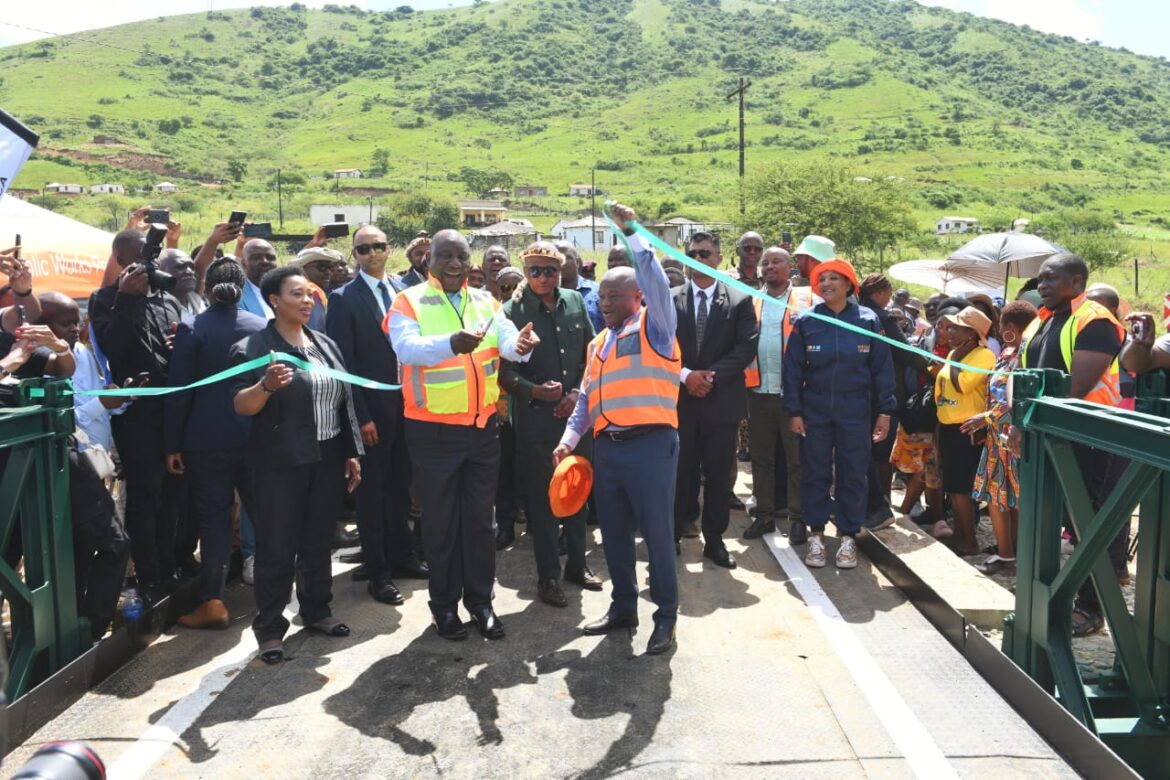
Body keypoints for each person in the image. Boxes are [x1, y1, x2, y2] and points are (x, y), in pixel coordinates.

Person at [387, 229, 539, 641]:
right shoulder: (408, 301)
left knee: (479, 525)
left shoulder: (486, 301)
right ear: (428, 260)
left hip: (482, 431)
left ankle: (481, 603)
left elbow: (507, 343)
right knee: (440, 525)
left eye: (461, 256)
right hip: (433, 433)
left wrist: (523, 345)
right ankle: (444, 606)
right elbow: (406, 349)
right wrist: (451, 343)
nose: (455, 264)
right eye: (446, 256)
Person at [554, 203, 681, 656]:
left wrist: (632, 234)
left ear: (637, 297)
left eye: (614, 296)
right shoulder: (599, 342)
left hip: (651, 446)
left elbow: (657, 283)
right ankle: (623, 607)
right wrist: (568, 441)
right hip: (607, 449)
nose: (604, 303)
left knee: (657, 536)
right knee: (613, 534)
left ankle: (665, 618)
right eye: (602, 297)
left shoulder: (655, 327)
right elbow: (586, 400)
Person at [232, 265, 363, 664]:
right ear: (274, 300)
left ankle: (317, 610)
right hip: (279, 462)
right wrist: (266, 385)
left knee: (318, 539)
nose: (307, 300)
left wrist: (350, 451)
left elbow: (344, 399)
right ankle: (271, 629)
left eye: (309, 294)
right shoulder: (254, 348)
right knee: (277, 544)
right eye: (297, 294)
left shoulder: (324, 344)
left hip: (327, 456)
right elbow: (240, 405)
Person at [1019, 253, 1127, 636]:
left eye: (1050, 278)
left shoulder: (1095, 321)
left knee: (1089, 524)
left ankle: (1093, 607)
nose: (1041, 285)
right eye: (1040, 279)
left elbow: (1077, 387)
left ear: (1077, 282)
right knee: (1055, 518)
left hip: (1088, 437)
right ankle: (1049, 594)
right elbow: (1024, 375)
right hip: (1048, 434)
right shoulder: (1042, 320)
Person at [165, 258, 268, 629]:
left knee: (214, 522)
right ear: (242, 288)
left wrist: (172, 444)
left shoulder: (192, 328)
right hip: (255, 438)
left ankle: (213, 602)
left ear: (207, 288)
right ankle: (279, 590)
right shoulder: (262, 326)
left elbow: (179, 392)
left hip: (205, 441)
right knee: (267, 515)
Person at [328, 226, 428, 607]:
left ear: (389, 250)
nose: (372, 253)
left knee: (401, 488)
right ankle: (378, 572)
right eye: (364, 248)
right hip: (372, 414)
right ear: (354, 254)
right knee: (371, 496)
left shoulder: (404, 292)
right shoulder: (343, 299)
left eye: (379, 246)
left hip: (408, 408)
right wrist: (360, 416)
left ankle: (403, 556)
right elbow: (344, 365)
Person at [500, 242, 602, 607]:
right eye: (535, 271)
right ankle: (548, 577)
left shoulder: (574, 302)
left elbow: (592, 355)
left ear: (561, 271)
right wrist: (535, 392)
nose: (543, 277)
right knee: (544, 501)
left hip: (576, 417)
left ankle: (577, 564)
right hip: (536, 422)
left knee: (577, 491)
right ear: (525, 272)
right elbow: (504, 373)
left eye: (550, 270)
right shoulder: (511, 311)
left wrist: (575, 393)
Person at [89, 229, 184, 604]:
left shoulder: (168, 300)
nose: (146, 267)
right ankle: (149, 578)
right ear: (120, 261)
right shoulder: (104, 300)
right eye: (137, 259)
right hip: (136, 417)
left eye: (151, 259)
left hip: (172, 413)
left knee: (173, 496)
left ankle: (170, 568)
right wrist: (127, 299)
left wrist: (181, 346)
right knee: (146, 498)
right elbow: (113, 348)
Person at [783, 258, 895, 569]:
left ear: (849, 284)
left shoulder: (868, 320)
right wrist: (794, 410)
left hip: (855, 411)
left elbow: (882, 370)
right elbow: (792, 371)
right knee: (814, 473)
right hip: (814, 411)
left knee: (853, 473)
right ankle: (817, 536)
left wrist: (885, 412)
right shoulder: (807, 321)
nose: (826, 284)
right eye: (822, 279)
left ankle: (848, 536)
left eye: (834, 278)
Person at [671, 231, 758, 568]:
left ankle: (715, 540)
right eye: (692, 253)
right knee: (680, 472)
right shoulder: (670, 299)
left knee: (719, 475)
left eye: (705, 253)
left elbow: (745, 347)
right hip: (680, 401)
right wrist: (686, 376)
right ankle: (674, 533)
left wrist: (708, 377)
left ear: (719, 258)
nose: (698, 258)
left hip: (721, 402)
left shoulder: (739, 299)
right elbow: (660, 345)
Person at [743, 247, 816, 540]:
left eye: (777, 262)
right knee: (761, 459)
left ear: (790, 268)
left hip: (795, 395)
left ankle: (798, 518)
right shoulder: (750, 300)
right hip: (758, 392)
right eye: (766, 263)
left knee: (797, 459)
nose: (770, 267)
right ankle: (765, 515)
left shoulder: (807, 299)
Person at [960, 300, 1037, 575]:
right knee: (1000, 498)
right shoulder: (1006, 354)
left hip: (1013, 440)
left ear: (1010, 328)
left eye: (1002, 324)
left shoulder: (1025, 358)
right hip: (997, 440)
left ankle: (1012, 555)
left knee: (1008, 499)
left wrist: (986, 418)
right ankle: (1009, 552)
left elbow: (1018, 401)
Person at [859, 273, 929, 531]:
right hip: (884, 393)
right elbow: (905, 351)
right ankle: (882, 504)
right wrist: (931, 367)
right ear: (880, 293)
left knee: (864, 449)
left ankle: (869, 503)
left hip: (859, 392)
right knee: (881, 452)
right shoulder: (882, 318)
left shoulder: (855, 314)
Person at [932, 307, 996, 555]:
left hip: (966, 430)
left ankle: (969, 541)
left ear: (971, 334)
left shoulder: (984, 356)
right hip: (947, 426)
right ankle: (958, 535)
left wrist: (955, 359)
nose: (949, 332)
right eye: (949, 327)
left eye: (956, 328)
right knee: (953, 486)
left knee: (961, 489)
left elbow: (962, 385)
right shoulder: (954, 354)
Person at [555, 239, 604, 334]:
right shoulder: (546, 294)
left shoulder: (597, 291)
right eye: (555, 258)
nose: (560, 262)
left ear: (577, 262)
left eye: (565, 258)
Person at [295, 246, 347, 331]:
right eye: (322, 267)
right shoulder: (312, 294)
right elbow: (315, 332)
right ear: (303, 269)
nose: (328, 272)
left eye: (331, 267)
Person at [236, 239, 278, 319]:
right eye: (256, 258)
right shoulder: (236, 298)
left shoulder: (287, 292)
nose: (264, 261)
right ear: (244, 264)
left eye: (270, 257)